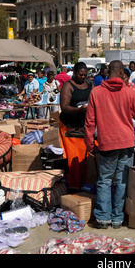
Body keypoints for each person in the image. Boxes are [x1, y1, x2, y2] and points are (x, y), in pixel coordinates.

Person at [84, 60, 135, 229]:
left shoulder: (96, 92)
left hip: (107, 143)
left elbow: (89, 123)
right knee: (122, 181)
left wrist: (89, 144)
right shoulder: (129, 93)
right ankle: (117, 218)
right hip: (126, 143)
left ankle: (102, 218)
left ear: (107, 72)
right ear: (122, 74)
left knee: (105, 180)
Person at [59, 62, 93, 190]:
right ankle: (73, 185)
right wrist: (79, 110)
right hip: (69, 126)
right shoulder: (68, 86)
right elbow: (64, 107)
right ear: (74, 73)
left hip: (84, 125)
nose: (83, 77)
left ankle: (85, 183)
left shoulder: (89, 83)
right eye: (81, 75)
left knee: (86, 157)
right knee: (73, 158)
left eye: (85, 75)